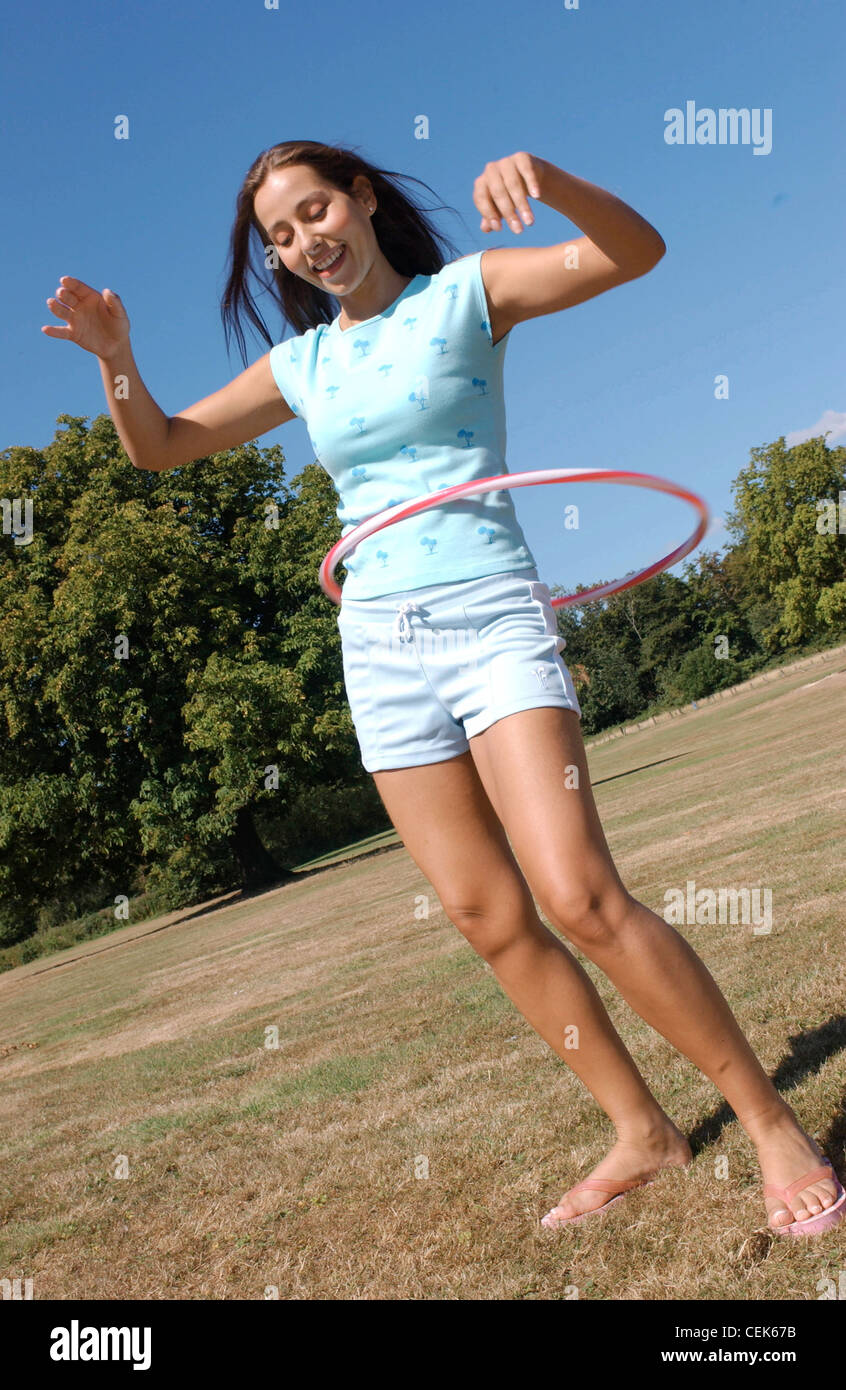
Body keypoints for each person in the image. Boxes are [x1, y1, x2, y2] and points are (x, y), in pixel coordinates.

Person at [42, 139, 844, 1238]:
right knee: (486, 912)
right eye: (278, 235)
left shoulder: (467, 297)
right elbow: (162, 446)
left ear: (362, 199)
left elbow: (636, 252)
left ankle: (765, 1121)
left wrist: (551, 179)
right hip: (379, 645)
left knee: (578, 894)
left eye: (314, 210)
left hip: (490, 618)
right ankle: (641, 1130)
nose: (303, 242)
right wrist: (115, 356)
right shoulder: (304, 367)